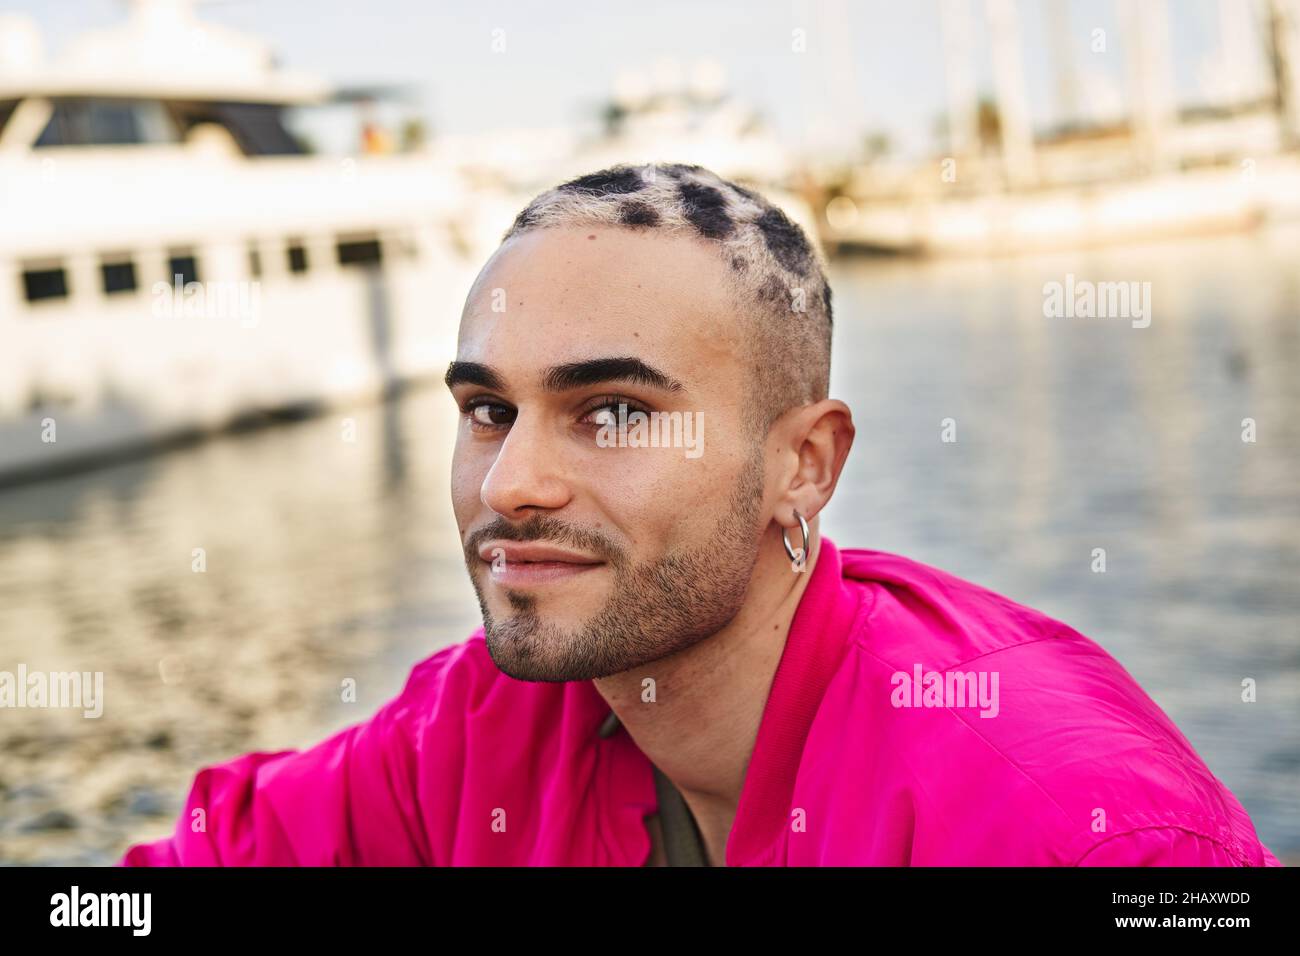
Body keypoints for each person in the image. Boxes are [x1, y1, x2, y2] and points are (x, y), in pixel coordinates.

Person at [120, 163, 1281, 866]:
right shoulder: (481, 726)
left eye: (613, 411)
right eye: (486, 408)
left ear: (803, 466)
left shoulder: (1062, 823)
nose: (508, 482)